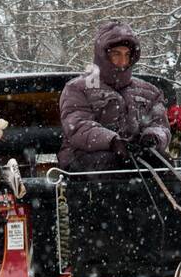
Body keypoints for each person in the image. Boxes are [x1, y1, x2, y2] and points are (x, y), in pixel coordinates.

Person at [58, 21, 170, 172]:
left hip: (135, 154)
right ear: (103, 56)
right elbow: (79, 127)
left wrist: (152, 138)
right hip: (84, 158)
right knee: (110, 165)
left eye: (127, 55)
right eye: (116, 54)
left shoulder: (150, 92)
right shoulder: (77, 88)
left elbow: (160, 125)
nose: (123, 62)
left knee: (163, 163)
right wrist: (113, 141)